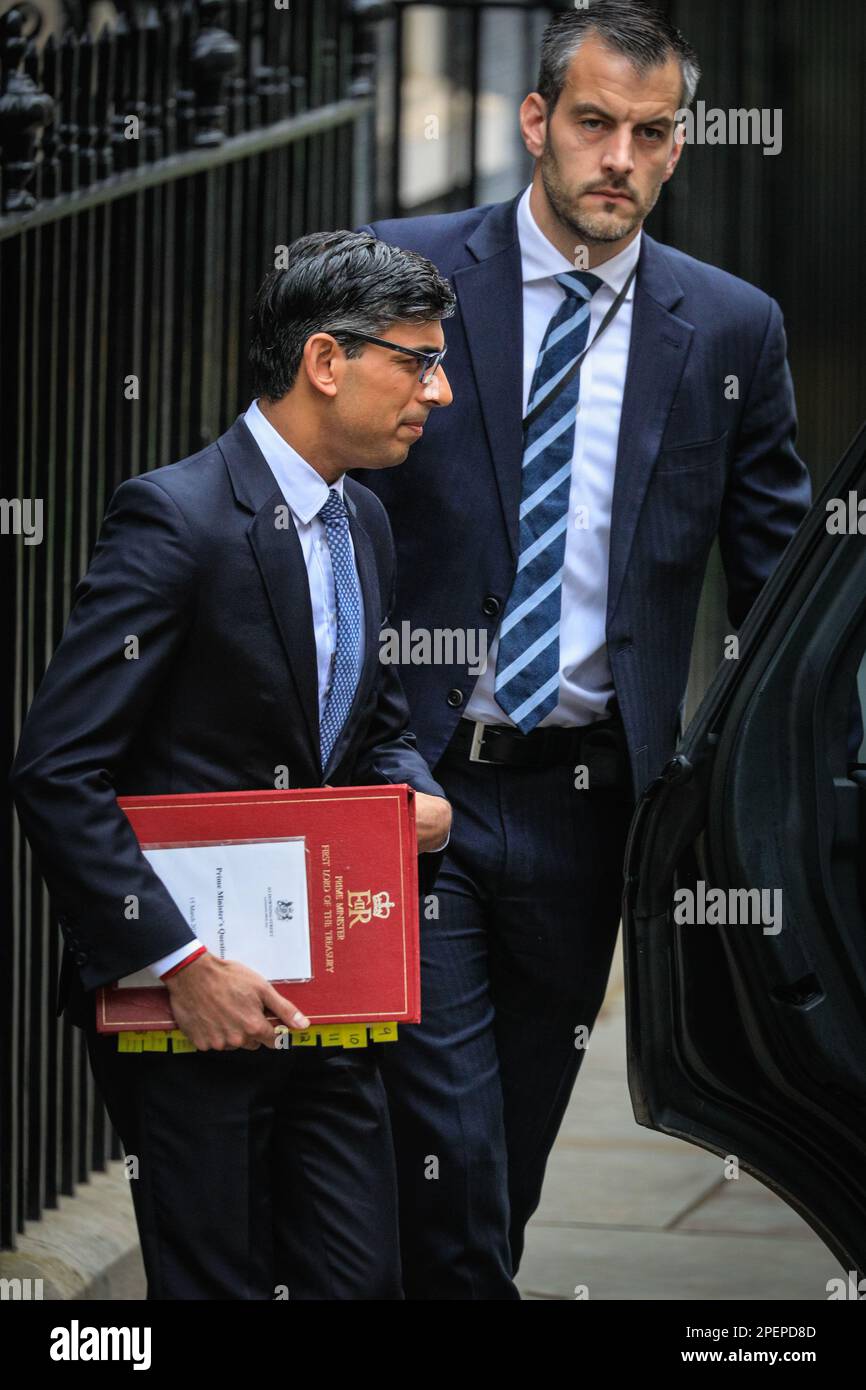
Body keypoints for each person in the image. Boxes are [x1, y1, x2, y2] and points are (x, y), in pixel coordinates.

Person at [354, 0, 812, 1298]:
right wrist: (360, 744)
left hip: (586, 807)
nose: (618, 155)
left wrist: (763, 794)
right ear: (534, 121)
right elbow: (322, 521)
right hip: (418, 781)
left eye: (650, 133)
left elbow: (776, 575)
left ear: (676, 148)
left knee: (506, 1144)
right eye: (595, 123)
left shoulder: (727, 327)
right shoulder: (408, 274)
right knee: (442, 1135)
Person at [9, 230, 455, 1300]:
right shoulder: (173, 518)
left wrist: (415, 792)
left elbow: (366, 724)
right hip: (191, 1005)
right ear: (325, 362)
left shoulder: (366, 522)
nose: (436, 392)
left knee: (359, 1280)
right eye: (417, 359)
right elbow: (56, 766)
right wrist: (178, 963)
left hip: (327, 992)